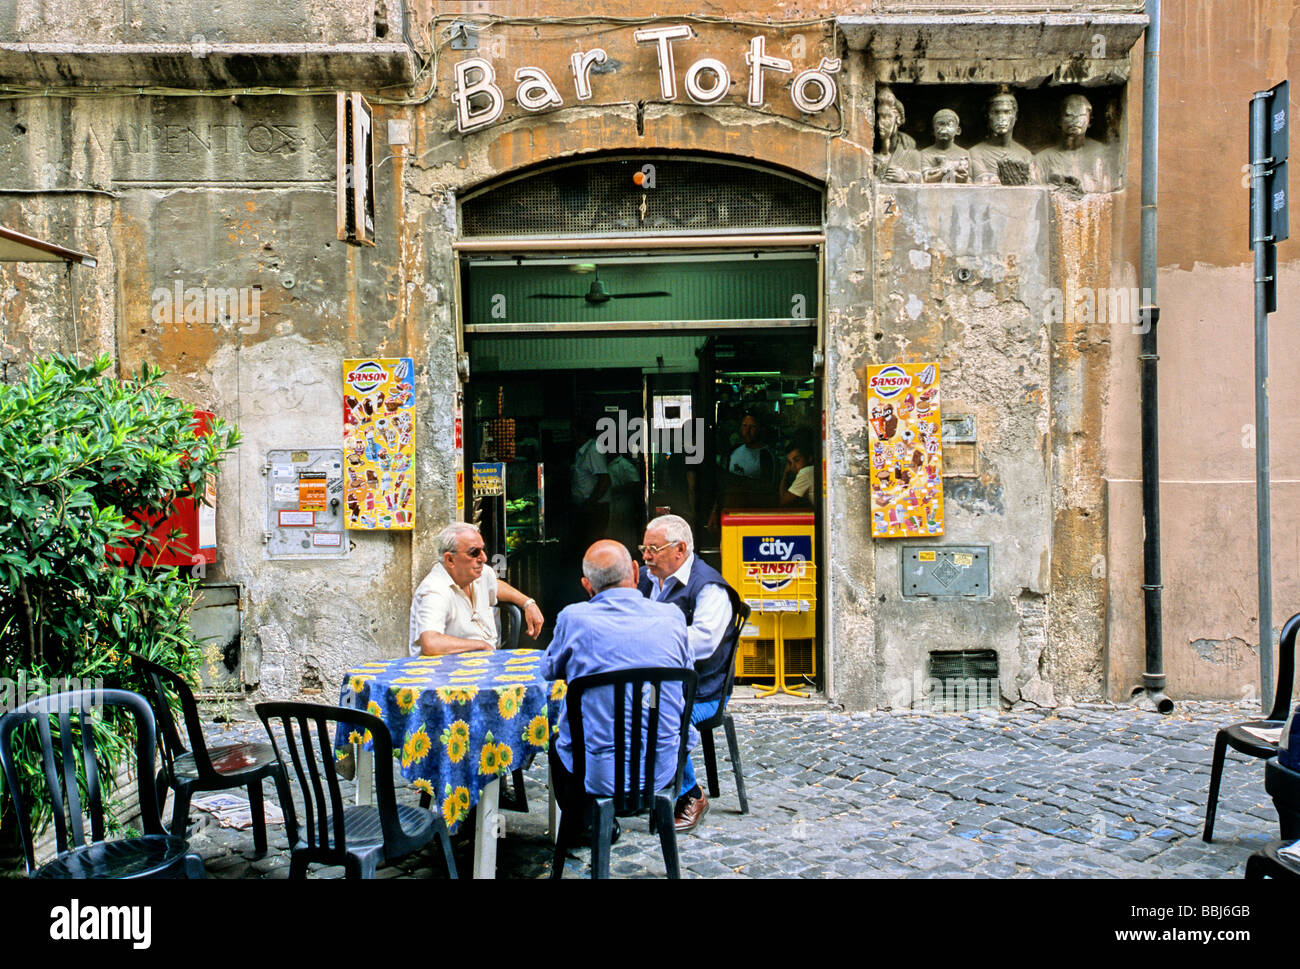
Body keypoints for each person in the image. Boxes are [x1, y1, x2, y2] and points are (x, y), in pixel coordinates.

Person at [542, 540, 692, 839]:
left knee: (559, 739)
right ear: (636, 572)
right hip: (663, 768)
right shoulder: (672, 617)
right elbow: (685, 672)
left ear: (587, 585)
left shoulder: (574, 618)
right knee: (650, 700)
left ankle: (587, 826)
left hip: (596, 774)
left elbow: (549, 671)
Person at [637, 514, 743, 832]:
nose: (645, 556)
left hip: (704, 692)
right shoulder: (646, 577)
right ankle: (643, 785)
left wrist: (647, 642)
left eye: (652, 549)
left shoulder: (709, 588)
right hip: (660, 683)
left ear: (680, 549)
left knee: (656, 716)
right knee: (620, 706)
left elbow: (703, 644)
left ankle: (691, 794)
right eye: (644, 548)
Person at [409, 522, 544, 656]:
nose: (484, 558)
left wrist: (528, 603)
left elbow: (495, 586)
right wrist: (481, 645)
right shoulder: (434, 590)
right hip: (449, 669)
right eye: (474, 553)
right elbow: (431, 643)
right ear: (450, 559)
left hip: (486, 660)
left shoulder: (481, 573)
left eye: (482, 550)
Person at [1034, 93, 1113, 194]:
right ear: (1059, 120)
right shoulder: (1043, 159)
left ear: (1090, 121)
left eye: (1081, 115)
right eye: (1069, 115)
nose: (1075, 120)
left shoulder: (1101, 154)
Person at [969, 89, 1037, 185]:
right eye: (996, 112)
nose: (1001, 118)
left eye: (1007, 112)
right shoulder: (974, 153)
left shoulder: (1026, 155)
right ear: (987, 116)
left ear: (1015, 116)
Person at [570, 414, 611, 549]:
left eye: (573, 431)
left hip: (595, 508)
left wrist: (590, 504)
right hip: (585, 506)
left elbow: (604, 480)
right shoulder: (581, 452)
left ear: (580, 432)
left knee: (592, 546)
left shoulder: (593, 450)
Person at [874, 86, 923, 183]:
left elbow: (920, 182)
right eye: (879, 116)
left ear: (898, 119)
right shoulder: (871, 152)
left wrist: (906, 178)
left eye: (886, 117)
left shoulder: (912, 154)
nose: (880, 123)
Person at [920, 108, 971, 184]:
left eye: (949, 124)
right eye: (940, 124)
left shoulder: (964, 153)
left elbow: (970, 181)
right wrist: (947, 172)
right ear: (933, 131)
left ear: (958, 131)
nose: (944, 129)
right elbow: (924, 180)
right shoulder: (923, 154)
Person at [779, 435, 816, 507]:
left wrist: (785, 474)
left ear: (809, 458)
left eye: (797, 460)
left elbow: (783, 502)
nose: (792, 467)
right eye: (790, 463)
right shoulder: (813, 470)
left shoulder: (806, 472)